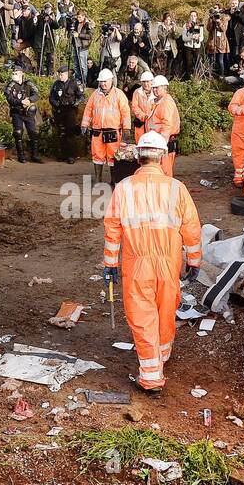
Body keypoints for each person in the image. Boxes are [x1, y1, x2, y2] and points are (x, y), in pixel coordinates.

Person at [102, 131, 202, 394]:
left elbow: (112, 230)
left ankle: (151, 374)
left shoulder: (123, 189)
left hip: (136, 264)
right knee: (166, 311)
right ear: (162, 157)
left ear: (137, 157)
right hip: (169, 264)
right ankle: (162, 355)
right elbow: (192, 228)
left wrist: (110, 264)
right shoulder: (176, 189)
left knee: (142, 316)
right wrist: (194, 261)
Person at [81, 68, 132, 184]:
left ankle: (113, 181)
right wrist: (84, 125)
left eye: (105, 81)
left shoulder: (119, 94)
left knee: (113, 157)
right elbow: (88, 109)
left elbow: (125, 112)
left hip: (113, 132)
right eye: (101, 81)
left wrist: (127, 129)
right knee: (97, 156)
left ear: (111, 81)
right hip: (97, 132)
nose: (103, 84)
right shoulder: (95, 94)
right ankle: (98, 181)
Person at [143, 76, 181, 176]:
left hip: (163, 143)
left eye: (157, 87)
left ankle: (166, 190)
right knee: (157, 170)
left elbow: (167, 125)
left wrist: (162, 145)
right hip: (157, 142)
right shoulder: (157, 102)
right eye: (153, 88)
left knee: (165, 172)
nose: (154, 90)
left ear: (164, 87)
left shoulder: (166, 103)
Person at [5, 65, 43, 163]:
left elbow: (36, 94)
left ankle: (34, 155)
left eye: (16, 73)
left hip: (28, 112)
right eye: (13, 73)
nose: (14, 75)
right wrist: (20, 102)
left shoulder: (28, 83)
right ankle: (21, 156)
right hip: (16, 112)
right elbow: (9, 98)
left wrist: (29, 100)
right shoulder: (11, 85)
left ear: (22, 73)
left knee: (33, 133)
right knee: (18, 133)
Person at [49, 64, 84, 163]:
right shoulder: (56, 84)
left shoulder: (73, 83)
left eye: (62, 75)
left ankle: (71, 156)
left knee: (70, 133)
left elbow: (80, 96)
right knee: (61, 133)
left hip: (70, 111)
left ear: (66, 74)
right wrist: (56, 104)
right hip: (59, 111)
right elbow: (51, 97)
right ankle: (63, 155)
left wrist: (76, 103)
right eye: (59, 75)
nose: (60, 77)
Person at [130, 70, 155, 141]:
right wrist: (143, 116)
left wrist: (150, 117)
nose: (146, 84)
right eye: (144, 82)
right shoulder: (137, 92)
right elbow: (134, 107)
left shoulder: (156, 92)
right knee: (140, 142)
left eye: (148, 81)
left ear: (151, 81)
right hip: (140, 123)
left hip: (153, 123)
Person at [181, 10, 204, 78]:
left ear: (196, 17)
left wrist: (198, 38)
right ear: (189, 16)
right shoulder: (186, 25)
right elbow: (184, 38)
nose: (193, 17)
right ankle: (189, 77)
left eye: (194, 16)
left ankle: (198, 77)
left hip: (197, 46)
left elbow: (202, 37)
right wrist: (191, 37)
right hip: (188, 46)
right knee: (188, 63)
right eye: (191, 15)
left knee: (198, 62)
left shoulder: (200, 25)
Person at [71, 11, 93, 82]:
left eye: (80, 17)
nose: (78, 18)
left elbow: (90, 36)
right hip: (76, 45)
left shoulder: (88, 24)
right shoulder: (76, 22)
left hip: (83, 47)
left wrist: (79, 35)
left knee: (83, 65)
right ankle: (77, 79)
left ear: (84, 17)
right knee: (76, 64)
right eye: (77, 17)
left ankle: (84, 81)